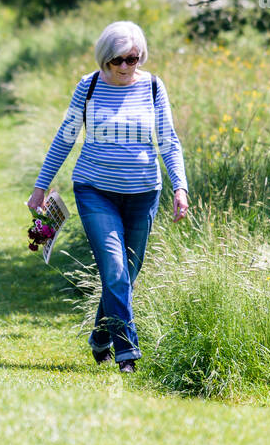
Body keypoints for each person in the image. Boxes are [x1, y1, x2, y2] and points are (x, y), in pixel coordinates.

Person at [28, 22, 190, 374]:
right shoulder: (87, 87)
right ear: (104, 59)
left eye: (132, 59)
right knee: (114, 272)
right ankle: (127, 353)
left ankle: (101, 336)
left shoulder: (152, 87)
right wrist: (41, 186)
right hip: (95, 191)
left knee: (126, 277)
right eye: (116, 60)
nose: (124, 67)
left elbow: (168, 139)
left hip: (144, 194)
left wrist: (180, 187)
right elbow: (65, 138)